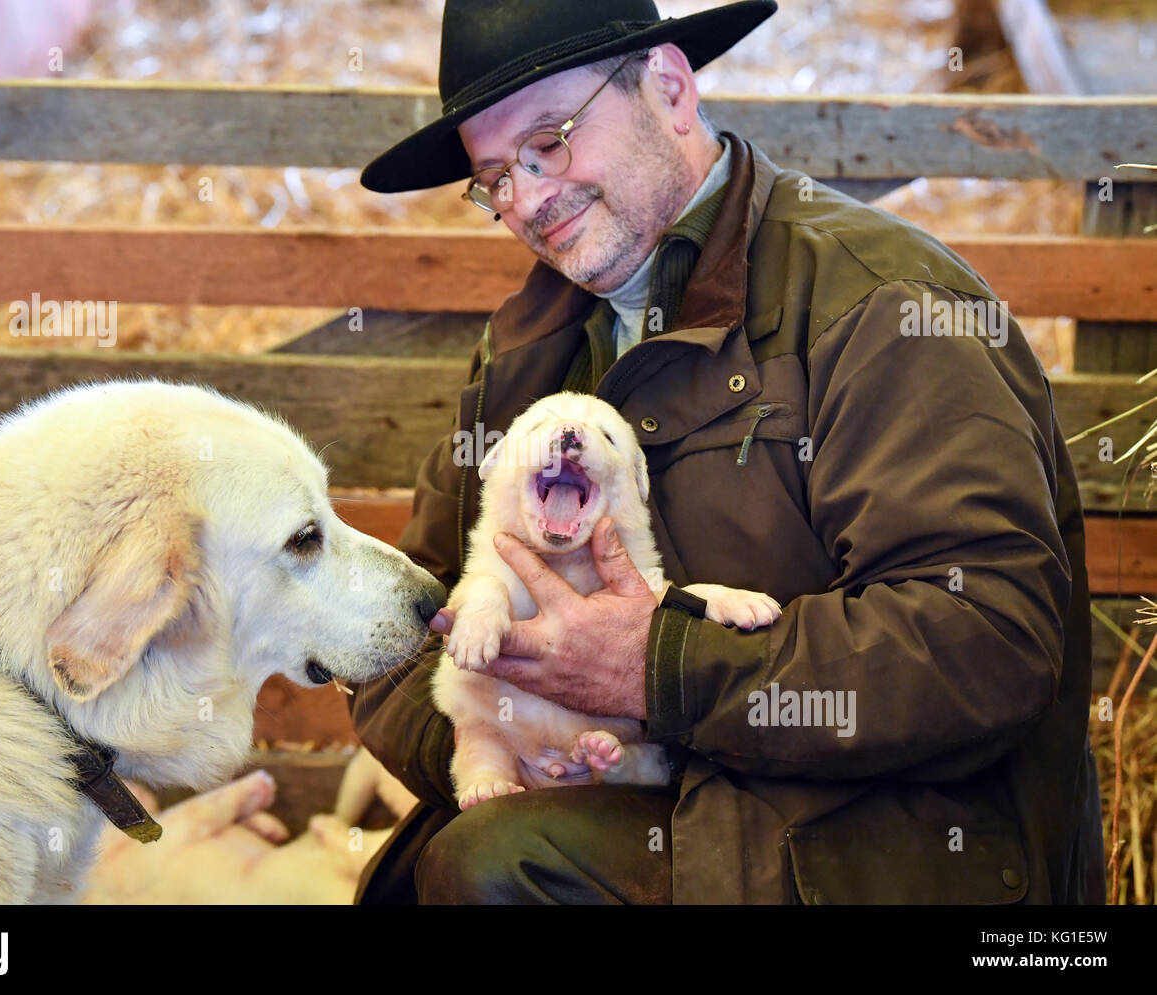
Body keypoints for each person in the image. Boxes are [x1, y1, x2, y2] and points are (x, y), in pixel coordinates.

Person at [347, 0, 1105, 905]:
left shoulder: (883, 305)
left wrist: (662, 671)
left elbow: (989, 639)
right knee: (428, 873)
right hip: (629, 810)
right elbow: (401, 619)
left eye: (549, 140)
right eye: (495, 177)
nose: (528, 199)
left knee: (494, 867)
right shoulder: (528, 346)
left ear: (669, 88)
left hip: (888, 849)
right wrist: (499, 745)